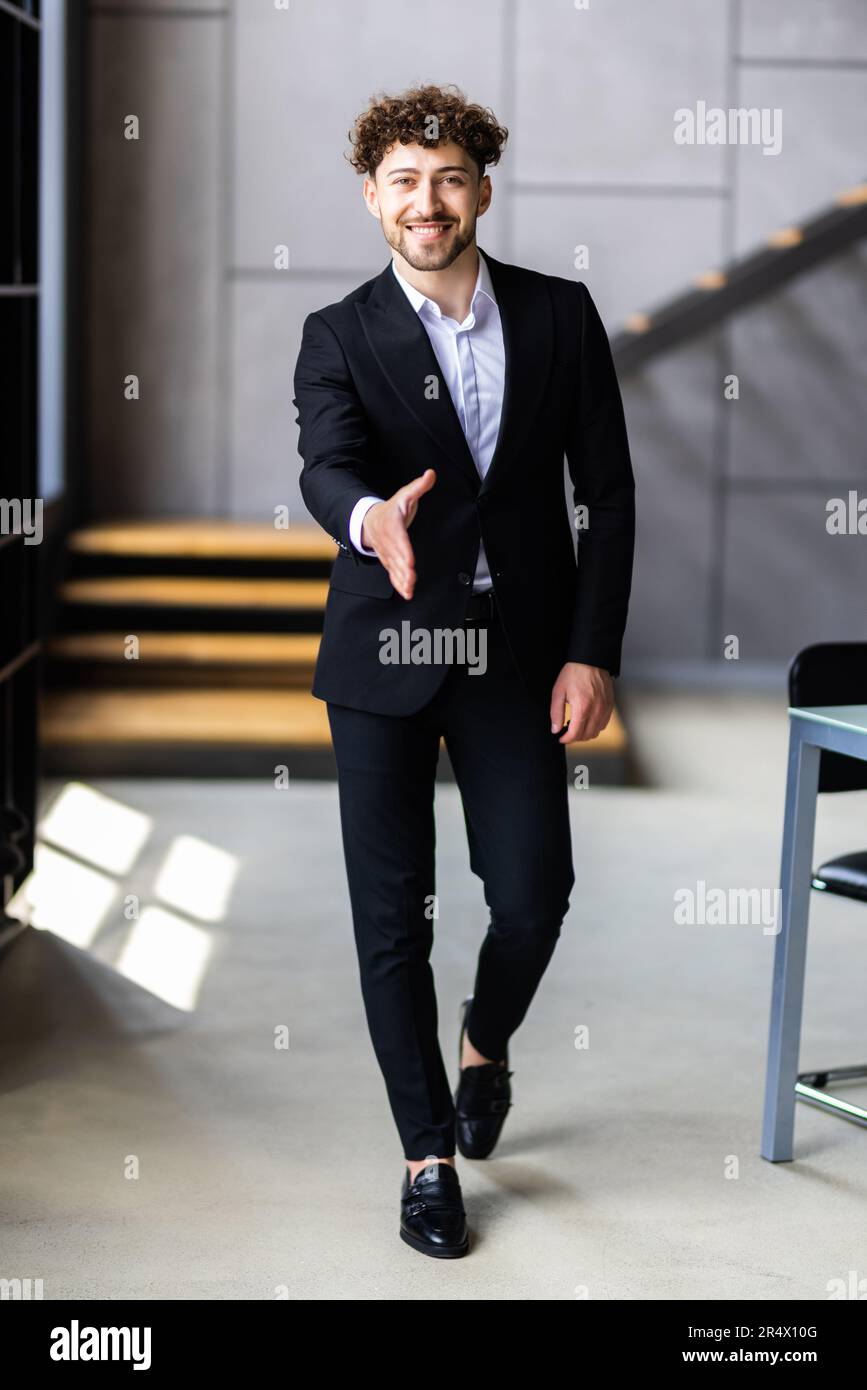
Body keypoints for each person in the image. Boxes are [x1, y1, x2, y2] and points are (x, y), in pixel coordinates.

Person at [292, 83, 635, 1259]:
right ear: (372, 197)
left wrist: (593, 647)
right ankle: (426, 1155)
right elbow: (326, 466)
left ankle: (484, 1044)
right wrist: (368, 516)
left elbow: (610, 492)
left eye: (448, 178)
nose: (426, 202)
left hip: (514, 651)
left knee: (534, 891)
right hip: (384, 648)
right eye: (403, 181)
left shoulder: (558, 315)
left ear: (482, 188)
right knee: (391, 920)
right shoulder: (338, 334)